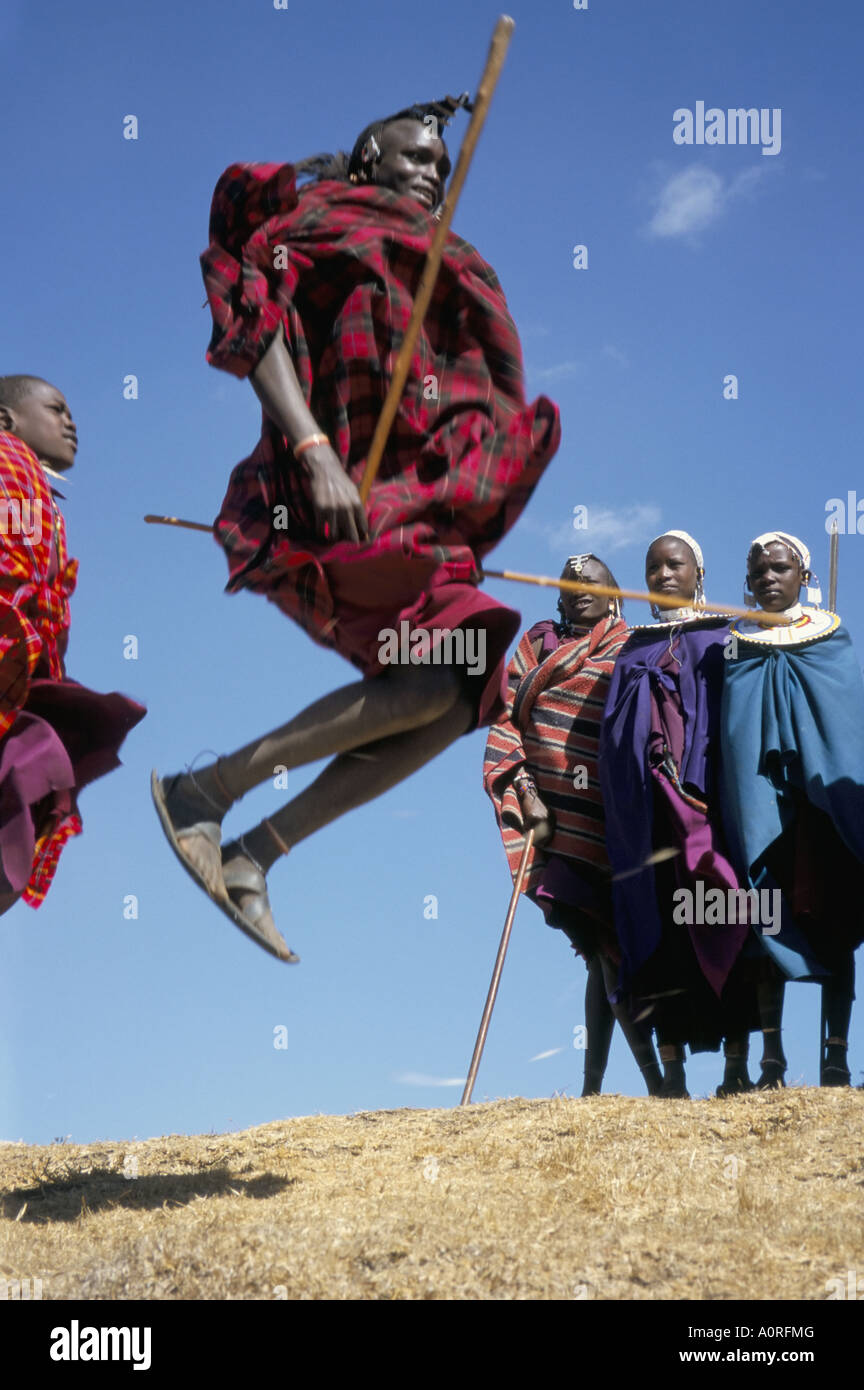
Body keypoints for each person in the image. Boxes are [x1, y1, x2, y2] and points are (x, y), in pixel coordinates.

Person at [152, 98, 561, 961]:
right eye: (415, 156)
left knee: (452, 699)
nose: (430, 173)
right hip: (330, 492)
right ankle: (210, 794)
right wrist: (312, 448)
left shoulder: (447, 262)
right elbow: (254, 322)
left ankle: (249, 846)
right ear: (372, 151)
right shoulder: (315, 223)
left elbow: (468, 396)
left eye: (443, 170)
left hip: (410, 514)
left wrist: (459, 480)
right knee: (453, 666)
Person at [483, 554, 662, 1096]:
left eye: (593, 581)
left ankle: (593, 1086)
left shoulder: (634, 645)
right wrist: (527, 792)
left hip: (613, 819)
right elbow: (503, 714)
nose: (580, 588)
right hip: (551, 821)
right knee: (597, 942)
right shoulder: (538, 645)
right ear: (558, 597)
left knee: (603, 955)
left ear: (615, 594)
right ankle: (655, 1083)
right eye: (570, 583)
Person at [599, 531, 755, 1097]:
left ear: (698, 574)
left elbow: (736, 719)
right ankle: (673, 1074)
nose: (663, 575)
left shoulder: (724, 637)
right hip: (647, 820)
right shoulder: (631, 648)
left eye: (674, 565)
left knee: (726, 917)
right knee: (659, 933)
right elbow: (614, 737)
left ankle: (738, 1064)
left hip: (712, 810)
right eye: (653, 568)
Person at [721, 531, 864, 1087]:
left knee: (838, 920)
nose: (768, 579)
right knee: (766, 922)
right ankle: (772, 1060)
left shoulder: (831, 636)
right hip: (763, 802)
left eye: (780, 569)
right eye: (758, 573)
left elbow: (847, 721)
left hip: (823, 806)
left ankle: (835, 1058)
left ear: (803, 576)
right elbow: (732, 726)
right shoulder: (734, 644)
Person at [0, 375, 145, 914]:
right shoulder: (6, 459)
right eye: (56, 408)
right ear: (6, 420)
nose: (72, 422)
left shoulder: (40, 493)